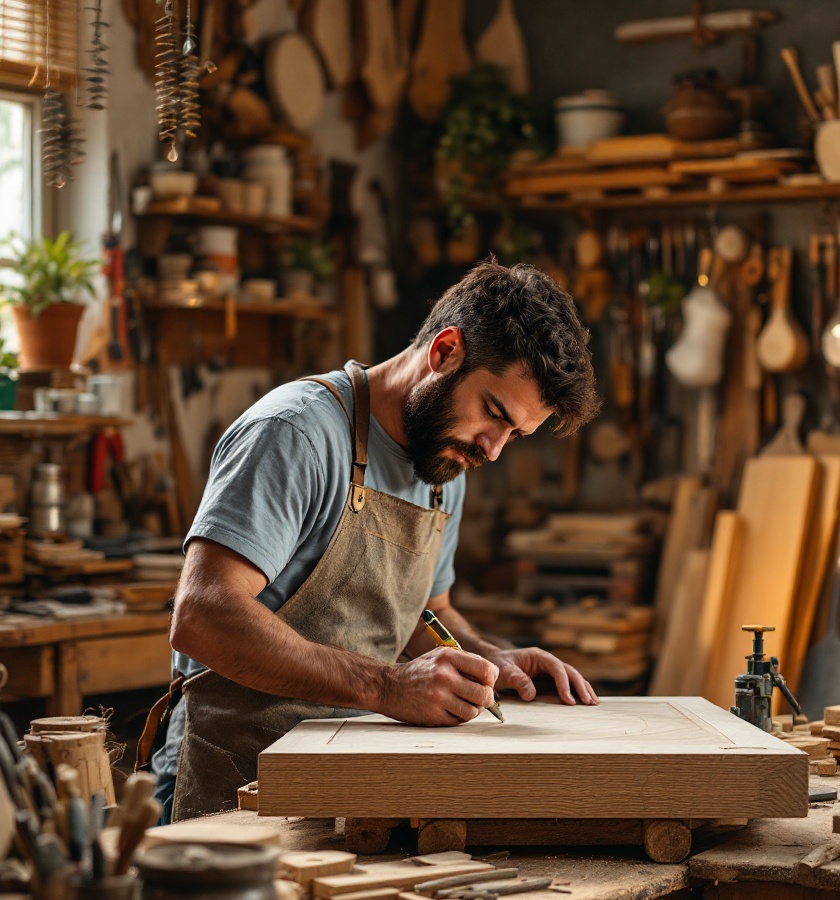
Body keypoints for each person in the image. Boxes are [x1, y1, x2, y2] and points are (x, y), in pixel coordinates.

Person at [141, 259, 603, 821]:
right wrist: (387, 689)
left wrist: (487, 659)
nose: (494, 448)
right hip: (239, 775)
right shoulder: (296, 434)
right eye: (494, 413)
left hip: (356, 778)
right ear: (445, 351)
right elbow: (203, 615)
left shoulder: (443, 465)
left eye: (514, 434)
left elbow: (420, 616)